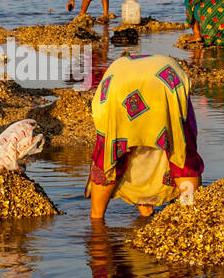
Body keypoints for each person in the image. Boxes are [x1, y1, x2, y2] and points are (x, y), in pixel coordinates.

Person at [86, 54, 203, 219]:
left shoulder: (118, 67)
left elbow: (138, 148)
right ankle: (189, 213)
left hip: (118, 80)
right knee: (181, 150)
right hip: (165, 80)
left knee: (110, 154)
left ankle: (96, 220)